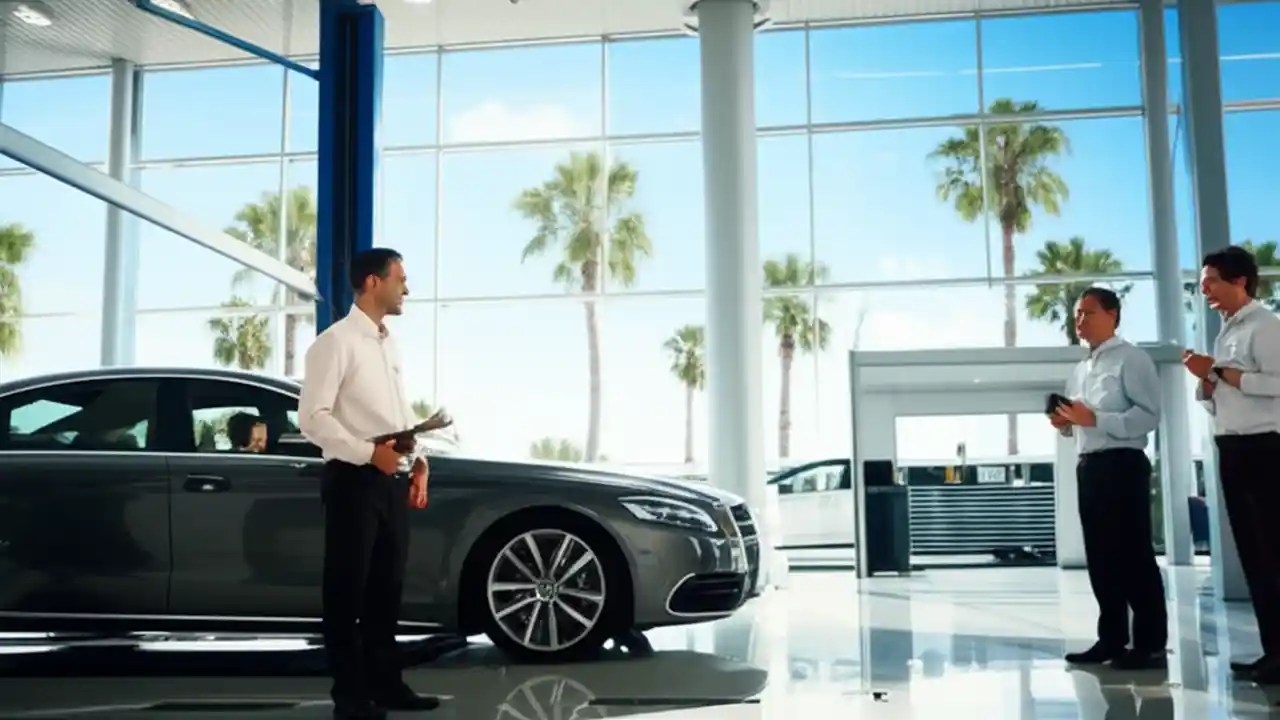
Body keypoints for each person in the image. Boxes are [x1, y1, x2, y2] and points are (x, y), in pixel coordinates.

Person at [299, 247, 448, 719]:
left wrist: (416, 459)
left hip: (388, 480)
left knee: (387, 590)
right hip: (352, 480)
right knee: (347, 592)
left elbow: (396, 417)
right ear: (371, 282)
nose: (407, 288)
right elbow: (312, 417)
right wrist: (369, 454)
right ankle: (350, 698)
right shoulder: (335, 342)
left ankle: (387, 687)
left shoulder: (390, 345)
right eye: (400, 278)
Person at [1052, 286, 1167, 670]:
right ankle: (1112, 639)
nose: (1079, 320)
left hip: (1124, 464)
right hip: (1090, 465)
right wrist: (1066, 424)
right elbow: (1079, 422)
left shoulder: (1132, 359)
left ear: (1113, 315)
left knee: (1134, 555)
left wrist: (1096, 419)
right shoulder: (1081, 369)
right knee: (1100, 557)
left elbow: (1149, 415)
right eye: (1076, 314)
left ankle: (1149, 644)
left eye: (1087, 313)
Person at [1183, 245, 1280, 685]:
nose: (1205, 291)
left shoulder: (1265, 325)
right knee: (1253, 556)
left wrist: (1219, 373)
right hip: (1233, 450)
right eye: (1203, 286)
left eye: (1213, 282)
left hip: (1265, 449)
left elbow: (1276, 386)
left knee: (1273, 554)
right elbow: (1223, 398)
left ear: (1240, 281)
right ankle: (1272, 651)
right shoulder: (1226, 332)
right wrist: (1207, 382)